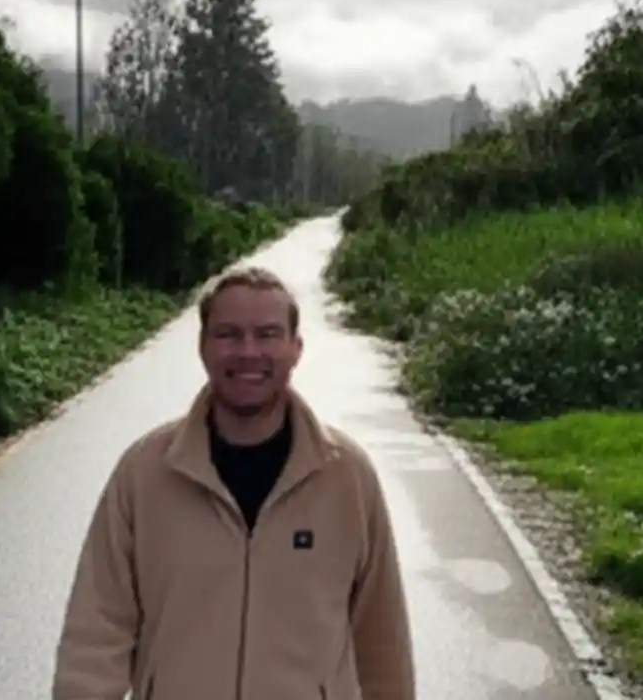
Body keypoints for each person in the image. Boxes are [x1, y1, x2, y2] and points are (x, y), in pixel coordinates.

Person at [51, 265, 415, 699]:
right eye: (228, 334)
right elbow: (96, 633)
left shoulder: (347, 477)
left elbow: (382, 639)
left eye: (267, 334)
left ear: (296, 348)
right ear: (202, 346)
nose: (248, 352)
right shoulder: (145, 473)